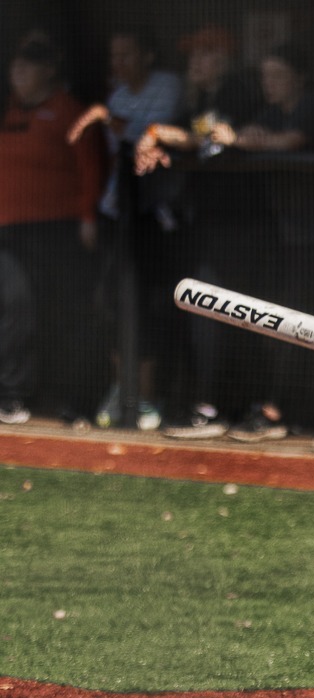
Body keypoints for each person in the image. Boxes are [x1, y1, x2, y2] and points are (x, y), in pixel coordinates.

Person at [208, 43, 314, 442]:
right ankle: (294, 408)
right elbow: (243, 134)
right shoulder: (271, 112)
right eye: (265, 76)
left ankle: (303, 410)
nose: (270, 84)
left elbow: (290, 141)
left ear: (298, 76)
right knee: (290, 318)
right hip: (291, 237)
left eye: (277, 76)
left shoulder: (313, 103)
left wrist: (246, 140)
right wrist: (242, 136)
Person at [136, 25, 264, 440]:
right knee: (205, 313)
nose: (195, 62)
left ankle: (224, 407)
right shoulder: (199, 99)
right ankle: (211, 404)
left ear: (224, 59)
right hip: (208, 225)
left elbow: (205, 137)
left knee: (234, 316)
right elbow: (179, 133)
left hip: (241, 226)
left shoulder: (237, 91)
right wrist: (160, 142)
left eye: (205, 54)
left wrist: (165, 136)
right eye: (192, 55)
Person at [69, 27, 184, 431]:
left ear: (148, 55)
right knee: (113, 302)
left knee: (150, 306)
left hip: (155, 216)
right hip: (117, 214)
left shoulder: (168, 86)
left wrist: (108, 118)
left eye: (127, 55)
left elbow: (143, 140)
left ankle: (147, 397)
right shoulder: (117, 96)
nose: (119, 65)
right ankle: (123, 390)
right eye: (114, 57)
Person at [0, 33, 108, 425]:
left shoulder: (69, 111)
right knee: (15, 302)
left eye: (29, 64)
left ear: (49, 70)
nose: (19, 71)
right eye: (16, 64)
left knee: (67, 313)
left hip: (60, 230)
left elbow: (91, 168)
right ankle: (11, 394)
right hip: (9, 231)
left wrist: (88, 218)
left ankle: (74, 399)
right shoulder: (8, 109)